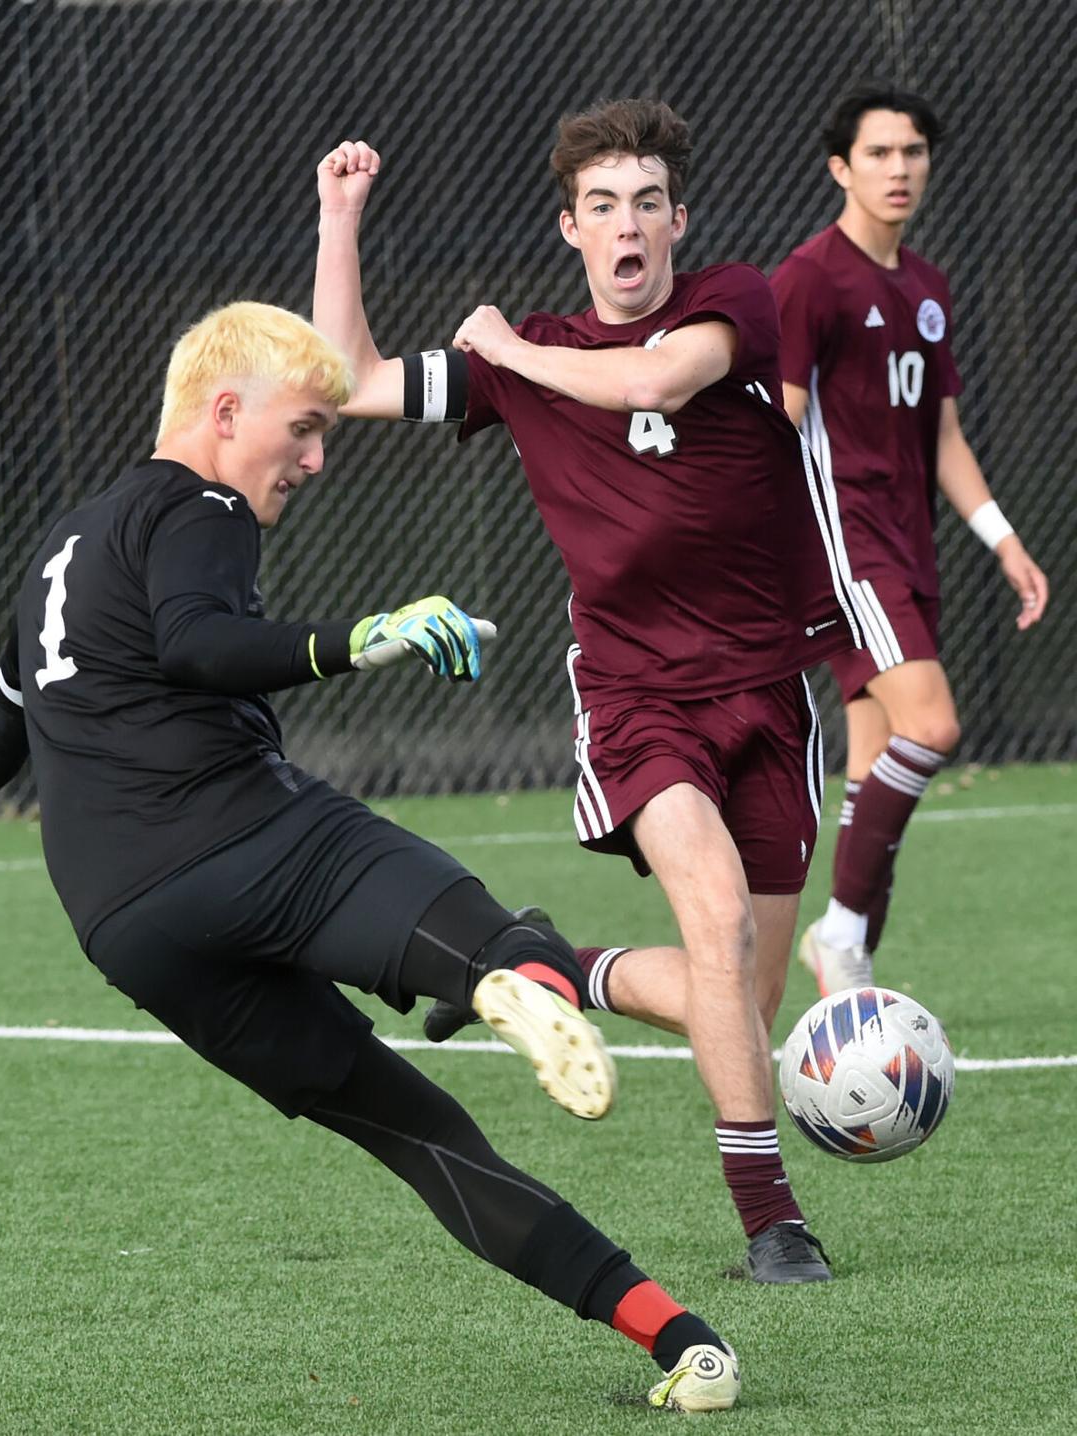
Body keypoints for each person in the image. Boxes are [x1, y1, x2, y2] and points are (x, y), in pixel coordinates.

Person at [0, 301, 741, 1414]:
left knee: (418, 1133)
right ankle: (505, 972)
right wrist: (360, 636)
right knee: (484, 927)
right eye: (303, 428)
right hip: (233, 829)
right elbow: (195, 642)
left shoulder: (61, 544)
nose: (314, 458)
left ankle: (677, 1336)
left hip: (125, 925)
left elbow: (6, 708)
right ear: (224, 407)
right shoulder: (198, 503)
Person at [314, 99, 865, 1283]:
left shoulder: (732, 301)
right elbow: (349, 379)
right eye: (604, 205)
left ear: (680, 219)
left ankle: (554, 961)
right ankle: (773, 1219)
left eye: (648, 202)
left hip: (770, 689)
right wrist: (340, 216)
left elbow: (655, 380)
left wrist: (507, 350)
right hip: (637, 697)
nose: (629, 225)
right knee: (712, 923)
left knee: (746, 1005)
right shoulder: (533, 355)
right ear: (571, 227)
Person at [770, 85, 1050, 994]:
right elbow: (780, 423)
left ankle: (848, 998)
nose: (900, 168)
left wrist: (1003, 541)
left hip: (909, 545)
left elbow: (946, 438)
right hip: (847, 546)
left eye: (914, 152)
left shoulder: (928, 286)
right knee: (933, 726)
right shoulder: (810, 277)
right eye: (880, 153)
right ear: (840, 168)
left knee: (873, 766)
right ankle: (842, 934)